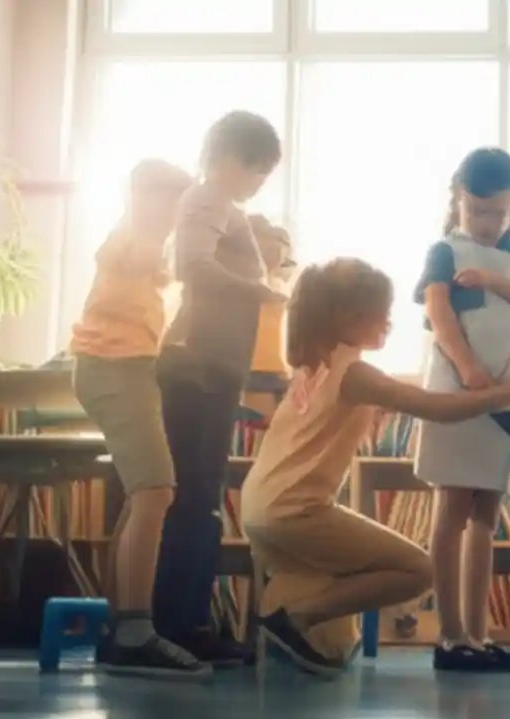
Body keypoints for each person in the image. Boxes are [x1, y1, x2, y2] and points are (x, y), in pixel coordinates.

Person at [241, 258, 510, 678]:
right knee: (418, 570)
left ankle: (290, 629)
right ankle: (296, 619)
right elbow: (438, 409)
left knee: (333, 645)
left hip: (259, 508)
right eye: (382, 313)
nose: (389, 323)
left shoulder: (312, 366)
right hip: (296, 509)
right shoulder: (355, 372)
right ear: (349, 318)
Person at [413, 147, 510, 672]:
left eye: (497, 212)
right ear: (458, 202)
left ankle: (479, 632)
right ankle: (450, 635)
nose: (487, 222)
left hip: (505, 393)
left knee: (487, 513)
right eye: (476, 211)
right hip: (456, 386)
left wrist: (494, 281)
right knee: (452, 510)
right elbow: (438, 313)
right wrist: (468, 368)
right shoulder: (444, 252)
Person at [154, 110, 283, 665]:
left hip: (215, 364)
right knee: (194, 495)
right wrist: (261, 292)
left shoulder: (222, 207)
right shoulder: (207, 199)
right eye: (258, 172)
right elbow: (193, 266)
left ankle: (188, 622)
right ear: (234, 159)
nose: (258, 185)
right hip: (199, 363)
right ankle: (181, 625)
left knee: (200, 495)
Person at [70, 159, 206, 677]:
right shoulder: (130, 239)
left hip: (122, 368)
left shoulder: (146, 249)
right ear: (143, 198)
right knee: (154, 491)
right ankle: (133, 631)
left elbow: (164, 276)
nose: (174, 214)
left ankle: (120, 628)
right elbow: (145, 256)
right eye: (169, 201)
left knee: (142, 493)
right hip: (114, 368)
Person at [248, 214, 296, 379]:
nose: (274, 258)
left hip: (278, 367)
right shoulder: (241, 282)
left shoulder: (280, 284)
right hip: (254, 367)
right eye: (269, 252)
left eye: (279, 254)